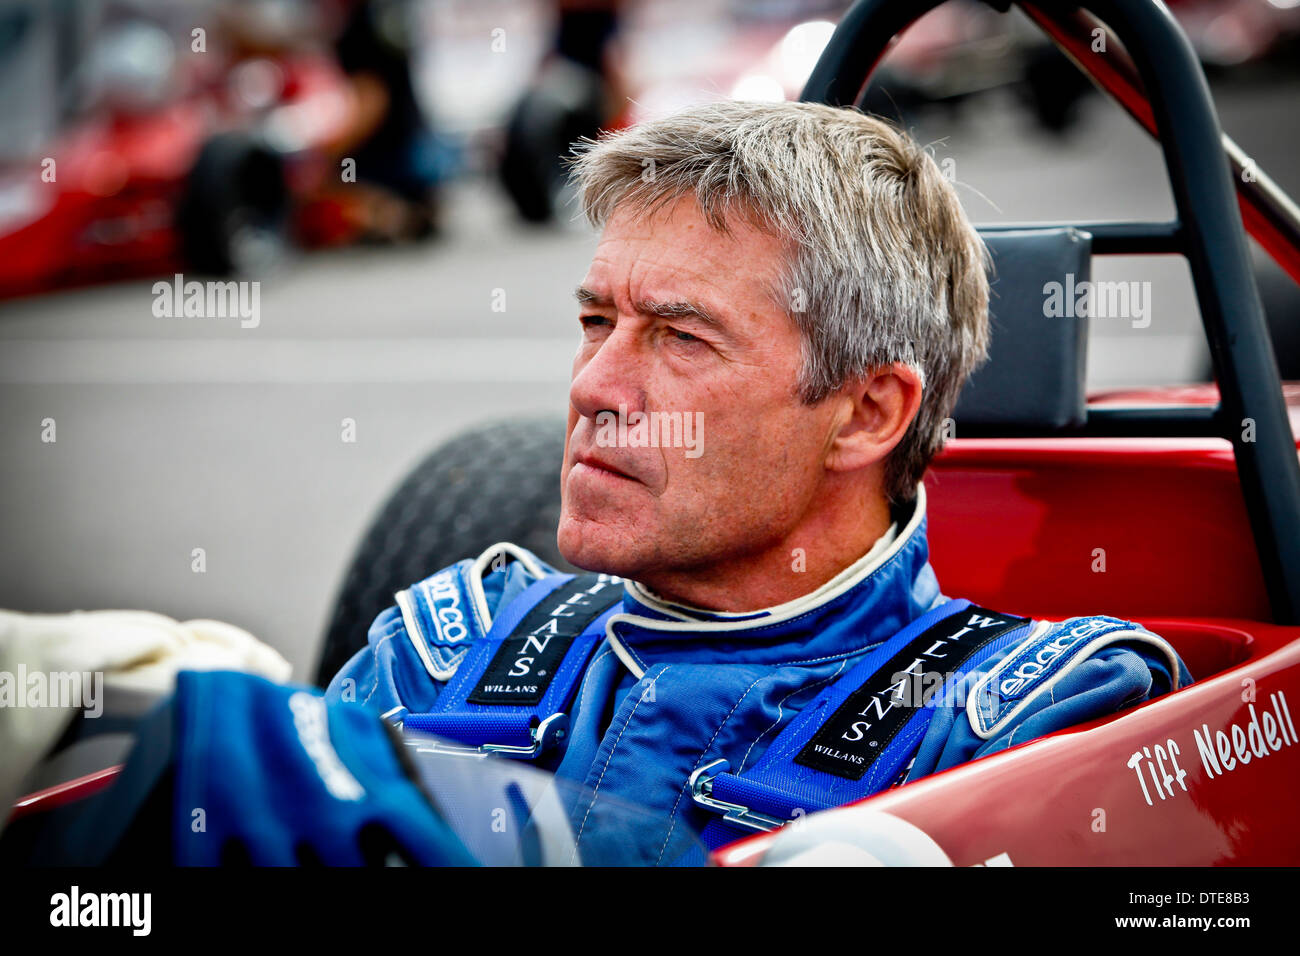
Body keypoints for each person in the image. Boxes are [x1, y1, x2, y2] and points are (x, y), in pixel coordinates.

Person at [12, 101, 1190, 867]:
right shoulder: (448, 641)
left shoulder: (1029, 716)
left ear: (867, 411)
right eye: (594, 319)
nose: (592, 384)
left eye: (679, 336)